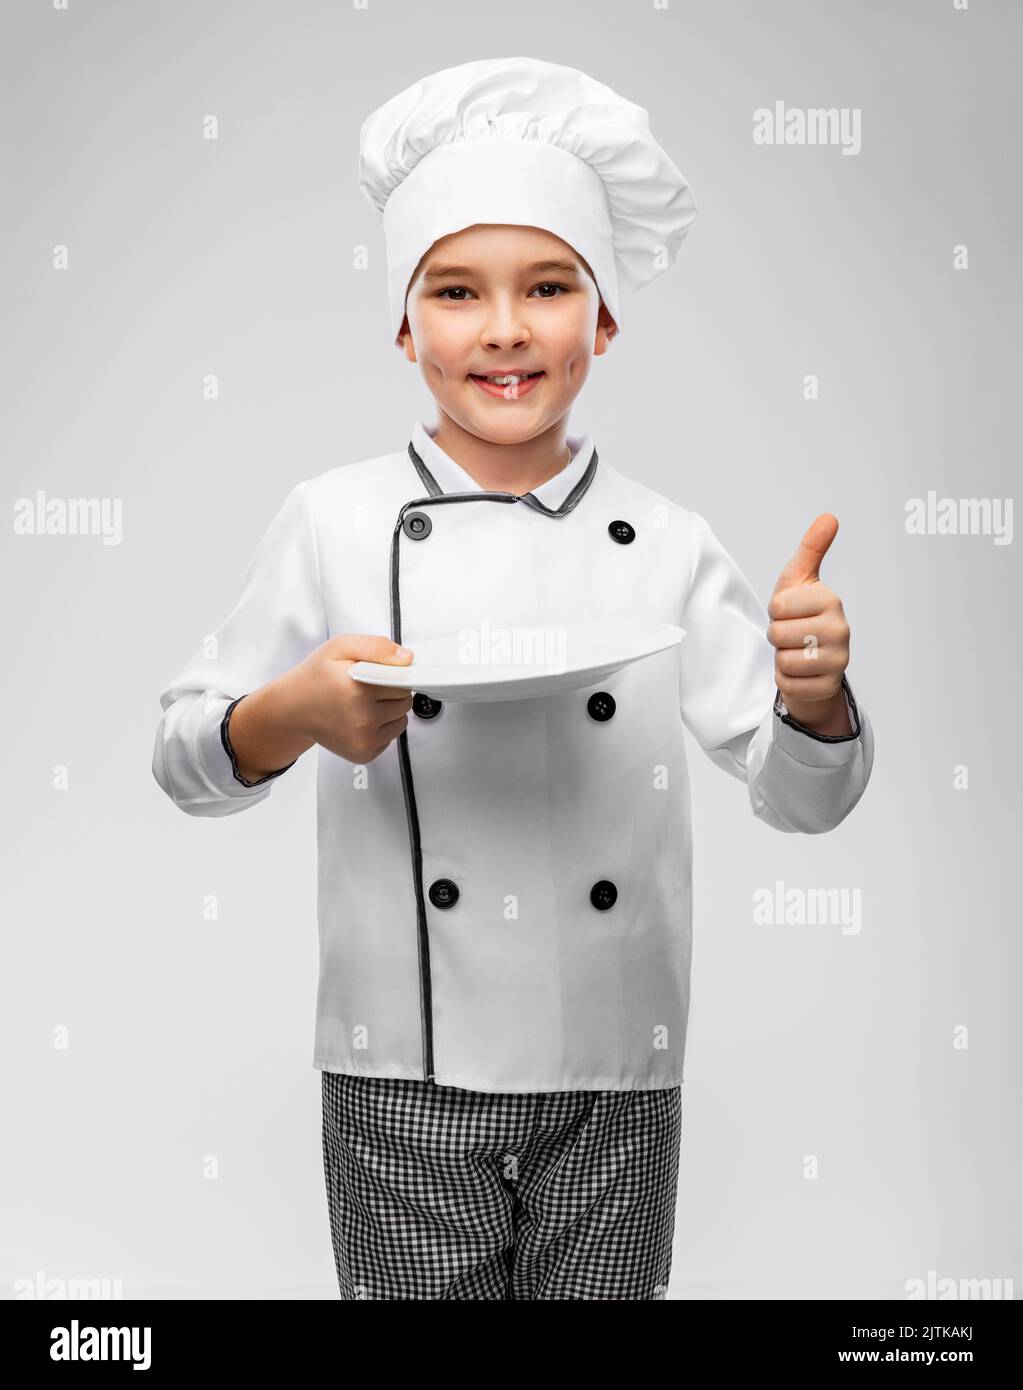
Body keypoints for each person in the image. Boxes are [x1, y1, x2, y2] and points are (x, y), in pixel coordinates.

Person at [152, 56, 875, 1300]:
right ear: (401, 321)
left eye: (547, 287)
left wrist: (814, 703)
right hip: (397, 1065)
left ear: (601, 320)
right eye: (454, 290)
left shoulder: (663, 537)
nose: (502, 328)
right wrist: (295, 714)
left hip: (617, 1067)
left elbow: (801, 797)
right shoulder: (331, 521)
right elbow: (183, 752)